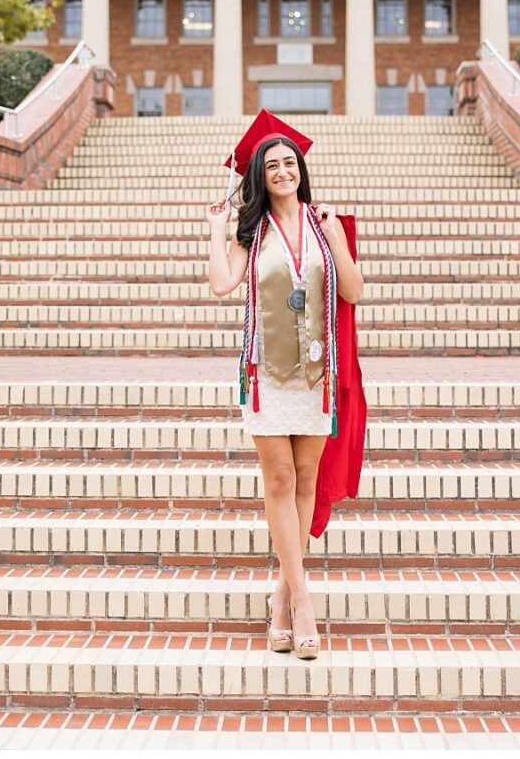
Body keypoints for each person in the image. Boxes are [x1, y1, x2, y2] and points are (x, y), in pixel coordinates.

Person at [206, 111, 362, 661]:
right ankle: (304, 605)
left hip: (317, 377)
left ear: (301, 169)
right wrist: (213, 227)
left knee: (304, 486)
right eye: (269, 165)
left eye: (288, 162)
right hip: (267, 376)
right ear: (258, 176)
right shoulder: (251, 232)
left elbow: (354, 290)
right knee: (278, 482)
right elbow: (223, 285)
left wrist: (339, 240)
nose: (281, 170)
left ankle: (280, 599)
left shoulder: (325, 225)